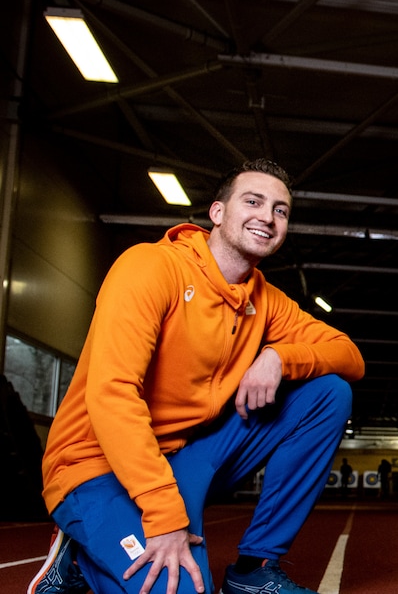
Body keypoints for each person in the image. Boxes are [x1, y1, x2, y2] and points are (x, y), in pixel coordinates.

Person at [28, 159, 365, 594]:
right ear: (218, 213)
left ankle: (254, 569)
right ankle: (78, 557)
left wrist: (280, 357)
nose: (268, 216)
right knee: (182, 589)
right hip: (96, 464)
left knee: (327, 393)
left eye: (280, 210)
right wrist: (164, 516)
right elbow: (113, 393)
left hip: (187, 452)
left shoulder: (265, 300)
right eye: (253, 201)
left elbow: (350, 356)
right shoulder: (151, 267)